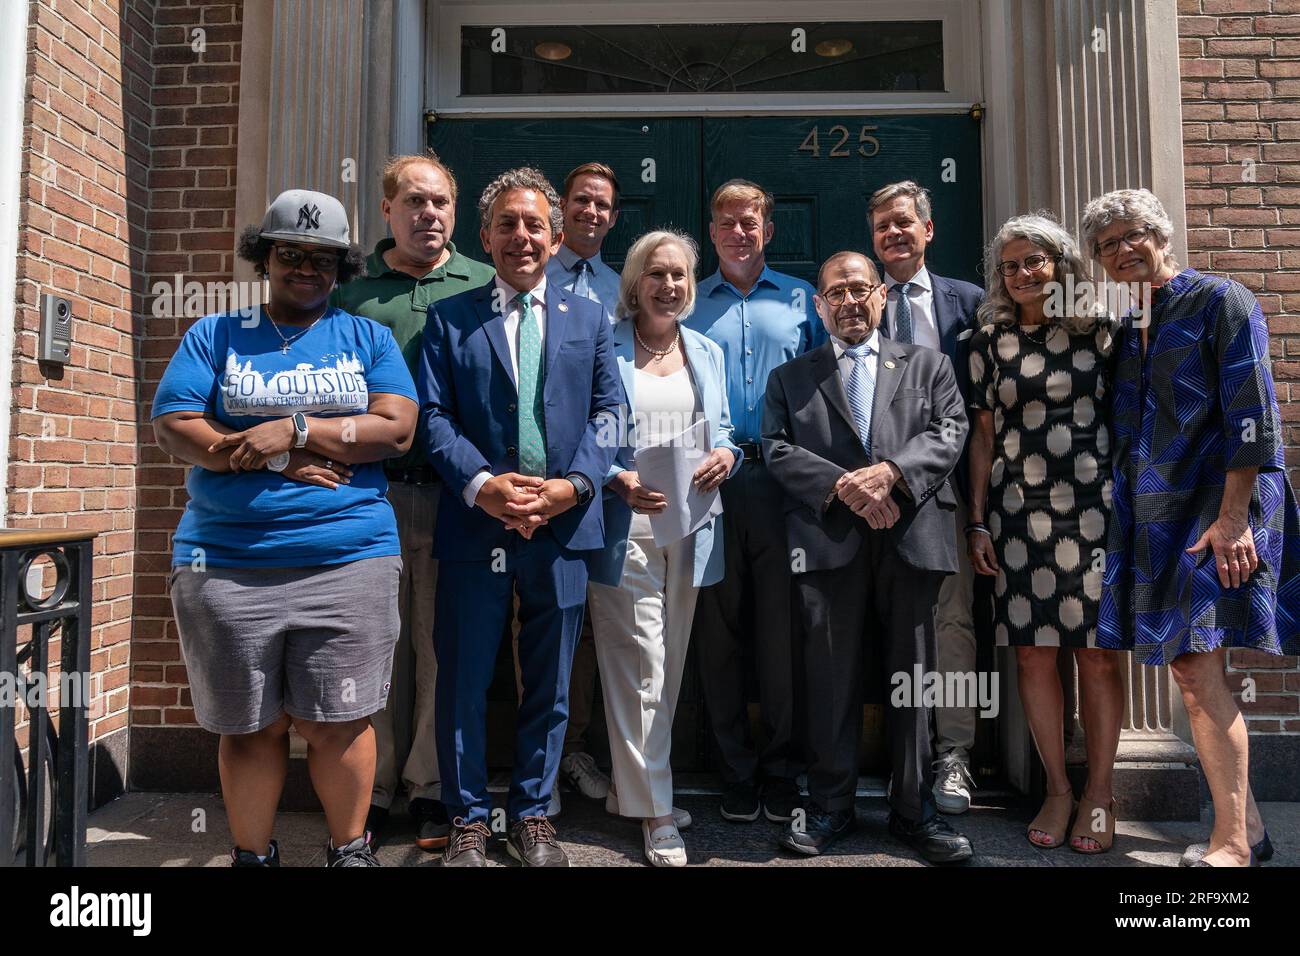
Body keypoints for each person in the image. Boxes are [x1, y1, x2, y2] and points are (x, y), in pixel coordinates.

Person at [152, 189, 418, 867]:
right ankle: (252, 855)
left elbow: (396, 429)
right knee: (252, 727)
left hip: (349, 559)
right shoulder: (215, 335)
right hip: (228, 562)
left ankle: (349, 850)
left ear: (341, 266)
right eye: (291, 254)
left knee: (338, 722)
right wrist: (279, 455)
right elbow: (176, 425)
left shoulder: (368, 338)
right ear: (265, 258)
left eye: (323, 258)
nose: (307, 268)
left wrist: (298, 425)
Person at [1084, 188, 1300, 867]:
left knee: (1196, 666)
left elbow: (1252, 416)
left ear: (1160, 236)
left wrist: (1235, 521)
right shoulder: (1128, 327)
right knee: (1190, 668)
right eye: (1108, 245)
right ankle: (1251, 832)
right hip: (1155, 521)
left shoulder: (1220, 301)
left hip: (1217, 513)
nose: (1122, 251)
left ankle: (1232, 842)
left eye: (1132, 236)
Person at [418, 167, 622, 867]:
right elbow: (433, 417)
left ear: (556, 234)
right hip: (477, 524)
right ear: (486, 236)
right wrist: (483, 485)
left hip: (561, 530)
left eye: (535, 224)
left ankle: (533, 813)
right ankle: (469, 818)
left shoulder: (590, 317)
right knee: (465, 678)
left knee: (552, 681)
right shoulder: (451, 318)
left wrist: (572, 487)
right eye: (507, 223)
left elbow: (610, 413)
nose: (522, 236)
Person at [763, 251, 973, 862]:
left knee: (912, 678)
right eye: (836, 293)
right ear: (819, 304)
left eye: (860, 290)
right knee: (830, 675)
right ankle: (830, 806)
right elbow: (774, 448)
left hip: (911, 539)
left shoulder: (929, 366)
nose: (849, 302)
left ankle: (915, 811)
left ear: (881, 296)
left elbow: (951, 431)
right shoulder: (791, 378)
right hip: (829, 541)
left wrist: (889, 474)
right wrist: (844, 489)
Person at [332, 152, 495, 851]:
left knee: (439, 646)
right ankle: (368, 791)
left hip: (458, 498)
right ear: (388, 211)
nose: (429, 215)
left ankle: (430, 788)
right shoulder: (352, 293)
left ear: (454, 214)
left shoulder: (486, 282)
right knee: (370, 648)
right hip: (367, 496)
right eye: (415, 203)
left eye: (441, 203)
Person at [966, 213, 1126, 853]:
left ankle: (1101, 792)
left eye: (1036, 260)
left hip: (1097, 506)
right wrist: (976, 520)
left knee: (1094, 650)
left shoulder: (1102, 331)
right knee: (1032, 650)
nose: (1025, 273)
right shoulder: (987, 341)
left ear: (1060, 264)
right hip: (1016, 510)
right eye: (1011, 265)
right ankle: (1058, 789)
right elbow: (981, 437)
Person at [586, 229, 741, 866]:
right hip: (627, 526)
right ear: (635, 281)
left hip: (692, 520)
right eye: (657, 274)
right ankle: (655, 812)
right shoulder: (607, 341)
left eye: (679, 275)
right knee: (638, 660)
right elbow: (587, 424)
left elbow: (724, 425)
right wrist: (614, 474)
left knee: (669, 664)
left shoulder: (703, 348)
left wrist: (727, 454)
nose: (670, 286)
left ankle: (646, 786)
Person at [683, 179, 822, 823]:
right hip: (706, 482)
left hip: (782, 481)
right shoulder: (687, 302)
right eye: (727, 222)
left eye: (750, 222)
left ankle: (783, 768)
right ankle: (733, 769)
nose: (739, 232)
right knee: (718, 630)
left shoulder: (803, 301)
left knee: (782, 632)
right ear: (711, 231)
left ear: (768, 228)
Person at [868, 180, 984, 815]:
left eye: (904, 222)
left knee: (952, 622)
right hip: (868, 494)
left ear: (928, 230)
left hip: (944, 493)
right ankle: (894, 759)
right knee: (876, 620)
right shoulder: (856, 301)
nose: (894, 233)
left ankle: (954, 753)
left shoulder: (968, 304)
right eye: (883, 225)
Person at [536, 162, 625, 808]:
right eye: (582, 202)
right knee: (532, 620)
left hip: (604, 485)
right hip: (535, 485)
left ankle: (575, 753)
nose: (591, 213)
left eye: (603, 206)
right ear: (561, 208)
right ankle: (535, 759)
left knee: (590, 626)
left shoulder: (622, 290)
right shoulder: (529, 274)